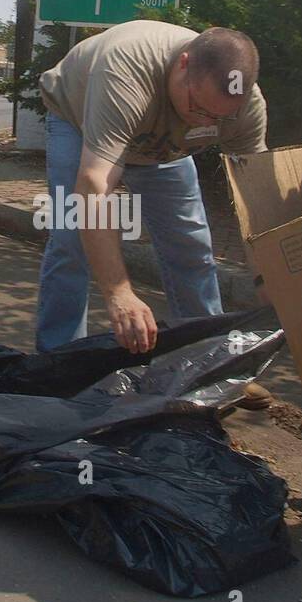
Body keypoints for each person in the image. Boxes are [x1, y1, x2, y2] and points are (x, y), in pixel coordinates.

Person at [36, 20, 267, 354]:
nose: (204, 123)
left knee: (191, 246)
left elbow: (257, 197)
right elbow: (94, 184)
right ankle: (58, 359)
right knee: (71, 239)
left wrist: (267, 278)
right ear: (183, 63)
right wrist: (118, 292)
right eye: (198, 107)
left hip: (160, 147)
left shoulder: (246, 106)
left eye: (220, 118)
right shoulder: (127, 73)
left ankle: (204, 357)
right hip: (79, 121)